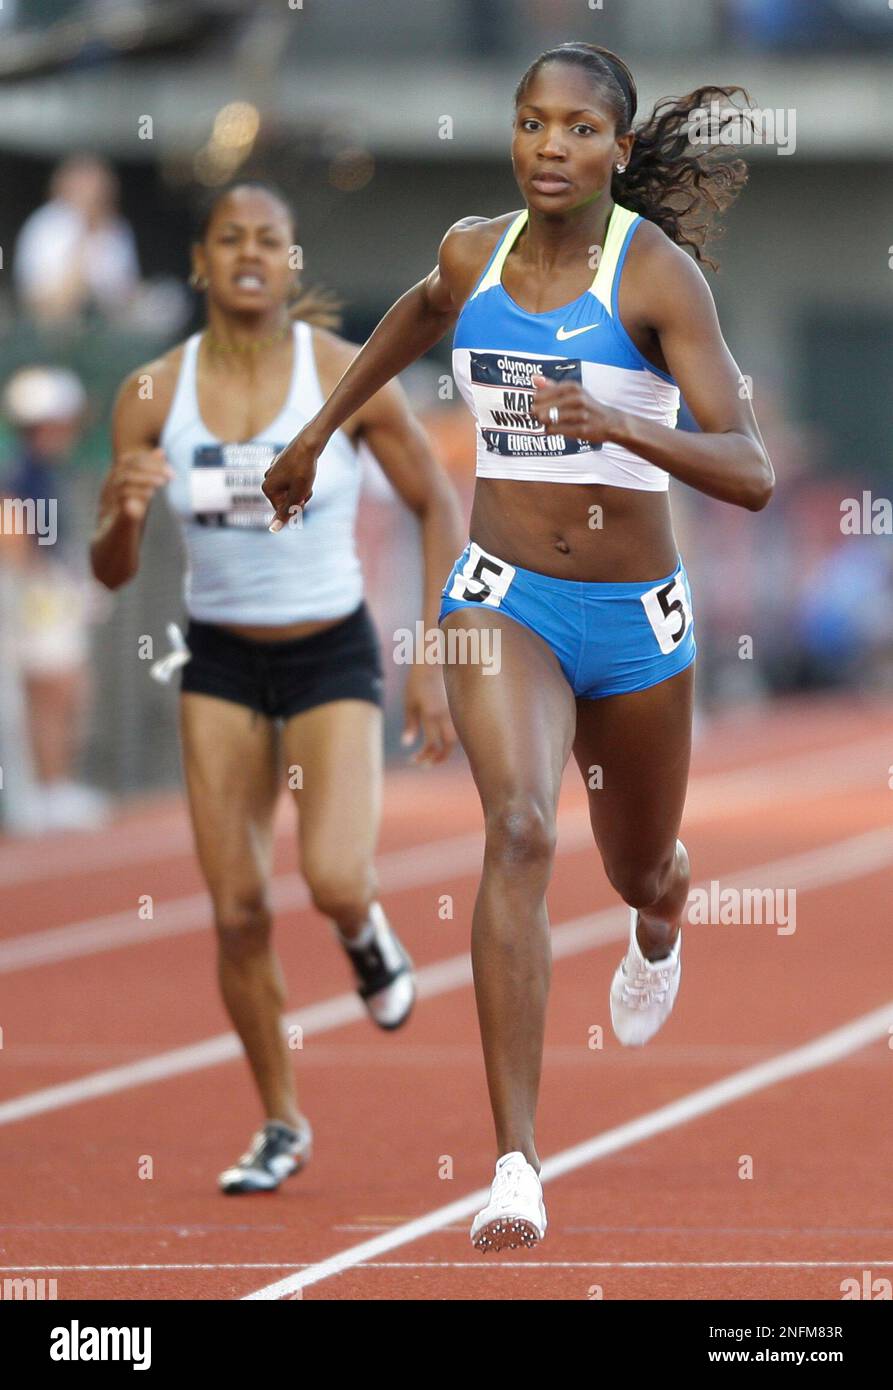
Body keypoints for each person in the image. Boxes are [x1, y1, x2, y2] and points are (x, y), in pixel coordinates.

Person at [263, 43, 775, 1249]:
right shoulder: (467, 251)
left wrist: (613, 421)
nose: (551, 148)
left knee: (635, 865)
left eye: (579, 130)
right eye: (532, 124)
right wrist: (317, 432)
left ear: (618, 146)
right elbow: (416, 315)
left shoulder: (656, 282)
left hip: (635, 615)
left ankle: (662, 916)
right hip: (504, 597)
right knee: (519, 826)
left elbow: (749, 469)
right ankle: (514, 1163)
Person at [90, 182, 464, 1193]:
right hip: (217, 660)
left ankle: (363, 932)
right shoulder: (150, 393)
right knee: (238, 906)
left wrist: (431, 664)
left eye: (270, 239)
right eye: (230, 238)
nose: (250, 253)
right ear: (201, 262)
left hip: (329, 653)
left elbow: (439, 503)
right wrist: (120, 520)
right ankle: (280, 1120)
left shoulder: (342, 374)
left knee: (335, 874)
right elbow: (110, 573)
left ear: (289, 263)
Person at [1, 366, 109, 832]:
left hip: (42, 591)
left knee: (60, 691)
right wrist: (46, 587)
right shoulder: (23, 472)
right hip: (33, 598)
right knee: (52, 691)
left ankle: (49, 789)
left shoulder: (41, 471)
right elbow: (12, 530)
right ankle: (46, 791)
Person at [14, 155, 140, 327]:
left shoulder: (117, 227)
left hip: (108, 324)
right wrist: (85, 233)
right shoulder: (46, 224)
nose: (95, 193)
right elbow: (43, 299)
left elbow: (125, 291)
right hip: (55, 327)